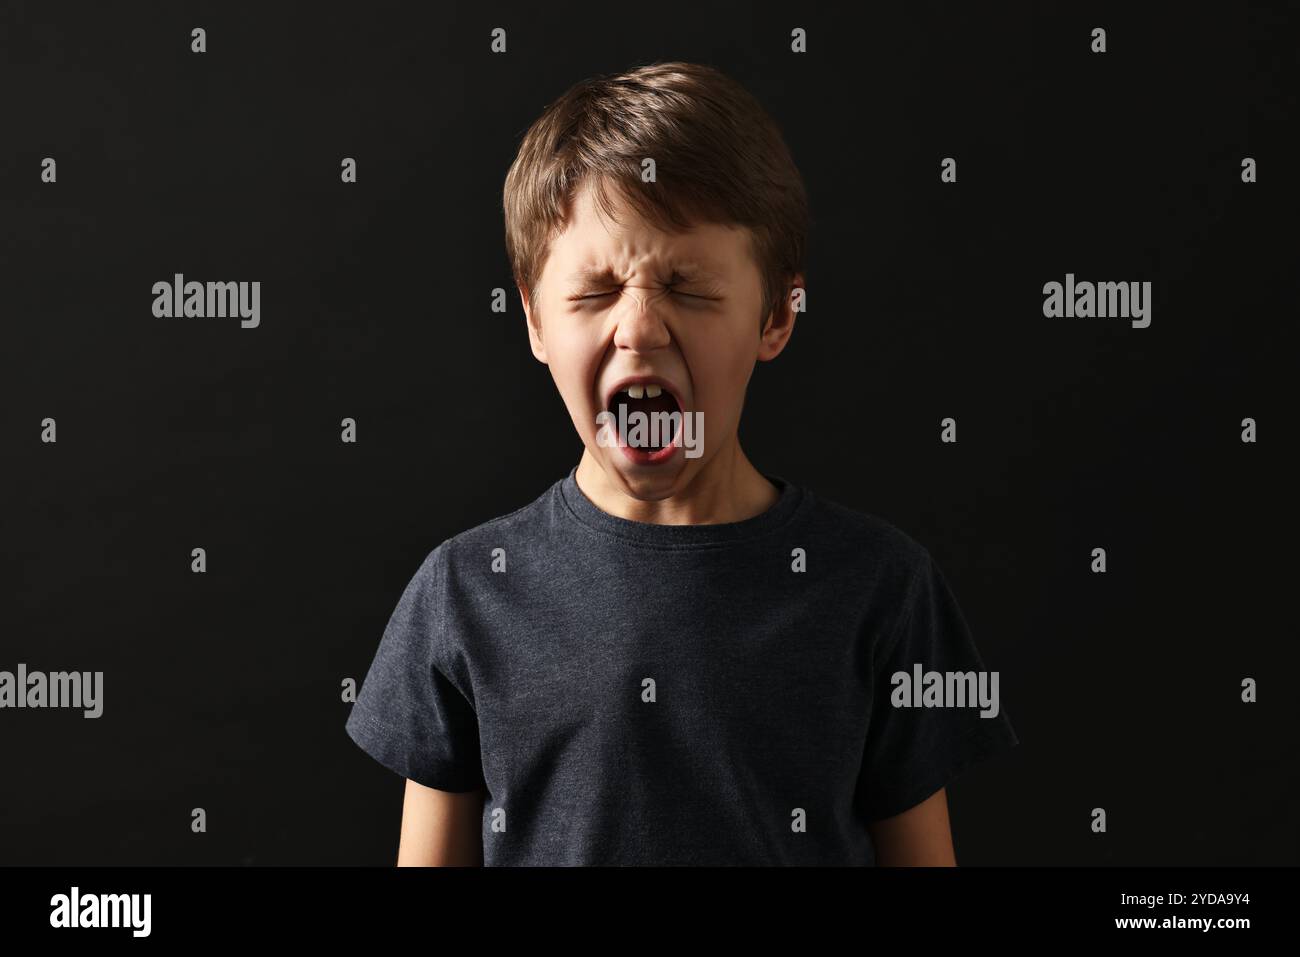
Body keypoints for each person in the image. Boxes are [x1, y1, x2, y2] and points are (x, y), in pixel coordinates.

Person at [345, 60, 1018, 866]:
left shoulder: (882, 588)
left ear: (775, 316)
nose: (640, 328)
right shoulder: (462, 593)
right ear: (532, 319)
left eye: (689, 288)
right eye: (595, 292)